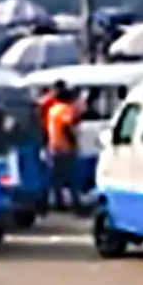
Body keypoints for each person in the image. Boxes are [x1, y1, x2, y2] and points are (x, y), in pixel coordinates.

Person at [43, 82, 81, 211]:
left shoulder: (53, 110)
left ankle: (58, 202)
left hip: (53, 146)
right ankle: (75, 202)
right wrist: (73, 143)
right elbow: (67, 126)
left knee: (56, 178)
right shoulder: (65, 109)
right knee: (72, 176)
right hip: (65, 148)